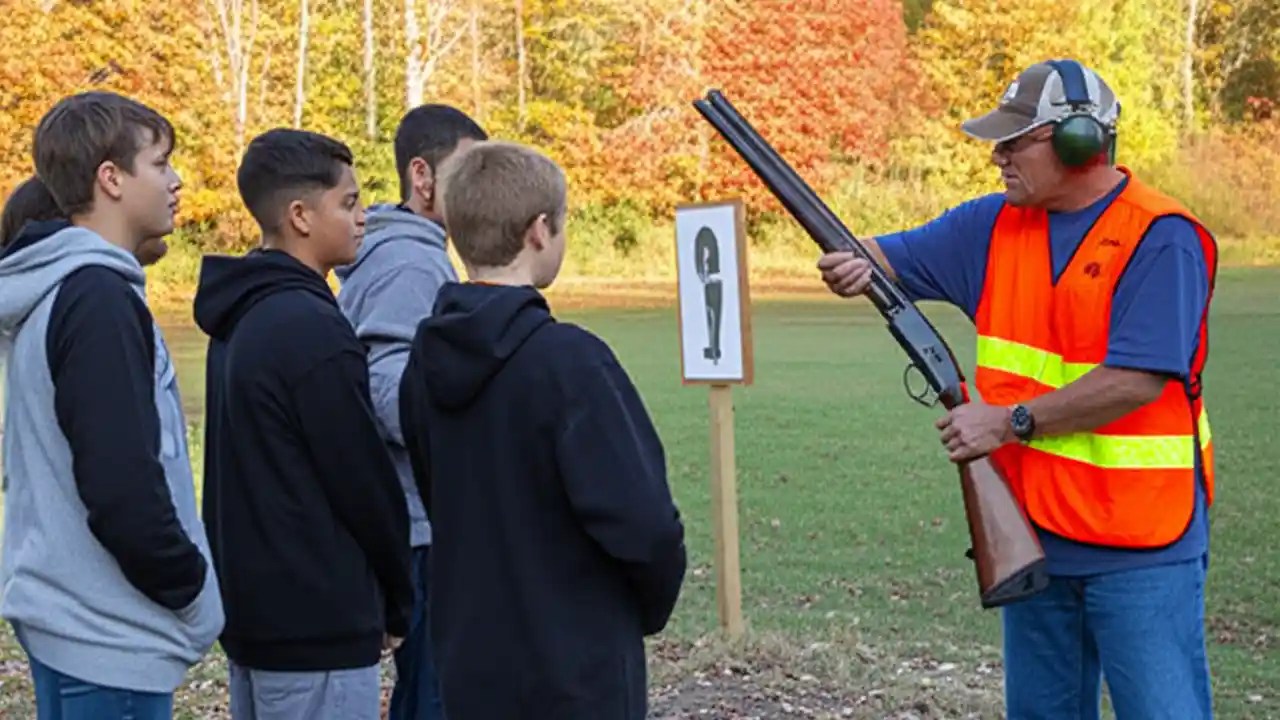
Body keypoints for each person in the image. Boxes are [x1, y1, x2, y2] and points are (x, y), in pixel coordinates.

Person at [817, 59, 1218, 719]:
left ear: (1080, 142)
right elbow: (882, 257)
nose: (997, 155)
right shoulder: (993, 225)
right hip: (1034, 538)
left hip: (1143, 544)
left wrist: (1008, 423)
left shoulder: (1160, 237)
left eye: (1015, 140)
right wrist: (851, 263)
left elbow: (1136, 381)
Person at [397, 140, 687, 719]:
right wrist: (640, 609)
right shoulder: (571, 364)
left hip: (471, 662)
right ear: (539, 231)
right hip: (574, 670)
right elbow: (644, 523)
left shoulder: (422, 363)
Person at [0, 91, 224, 719]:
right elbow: (120, 483)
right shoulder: (94, 298)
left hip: (83, 624)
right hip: (105, 636)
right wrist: (190, 588)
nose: (177, 180)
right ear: (112, 178)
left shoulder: (72, 288)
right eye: (160, 163)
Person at [193, 128, 414, 719]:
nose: (363, 216)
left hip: (258, 612)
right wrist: (397, 598)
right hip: (315, 622)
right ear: (300, 216)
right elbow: (361, 480)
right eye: (348, 202)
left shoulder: (241, 316)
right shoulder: (309, 328)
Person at [334, 104, 487, 720]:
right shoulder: (410, 261)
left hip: (414, 517)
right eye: (468, 169)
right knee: (434, 693)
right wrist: (470, 425)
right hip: (419, 525)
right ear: (420, 176)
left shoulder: (411, 250)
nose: (482, 185)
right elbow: (385, 387)